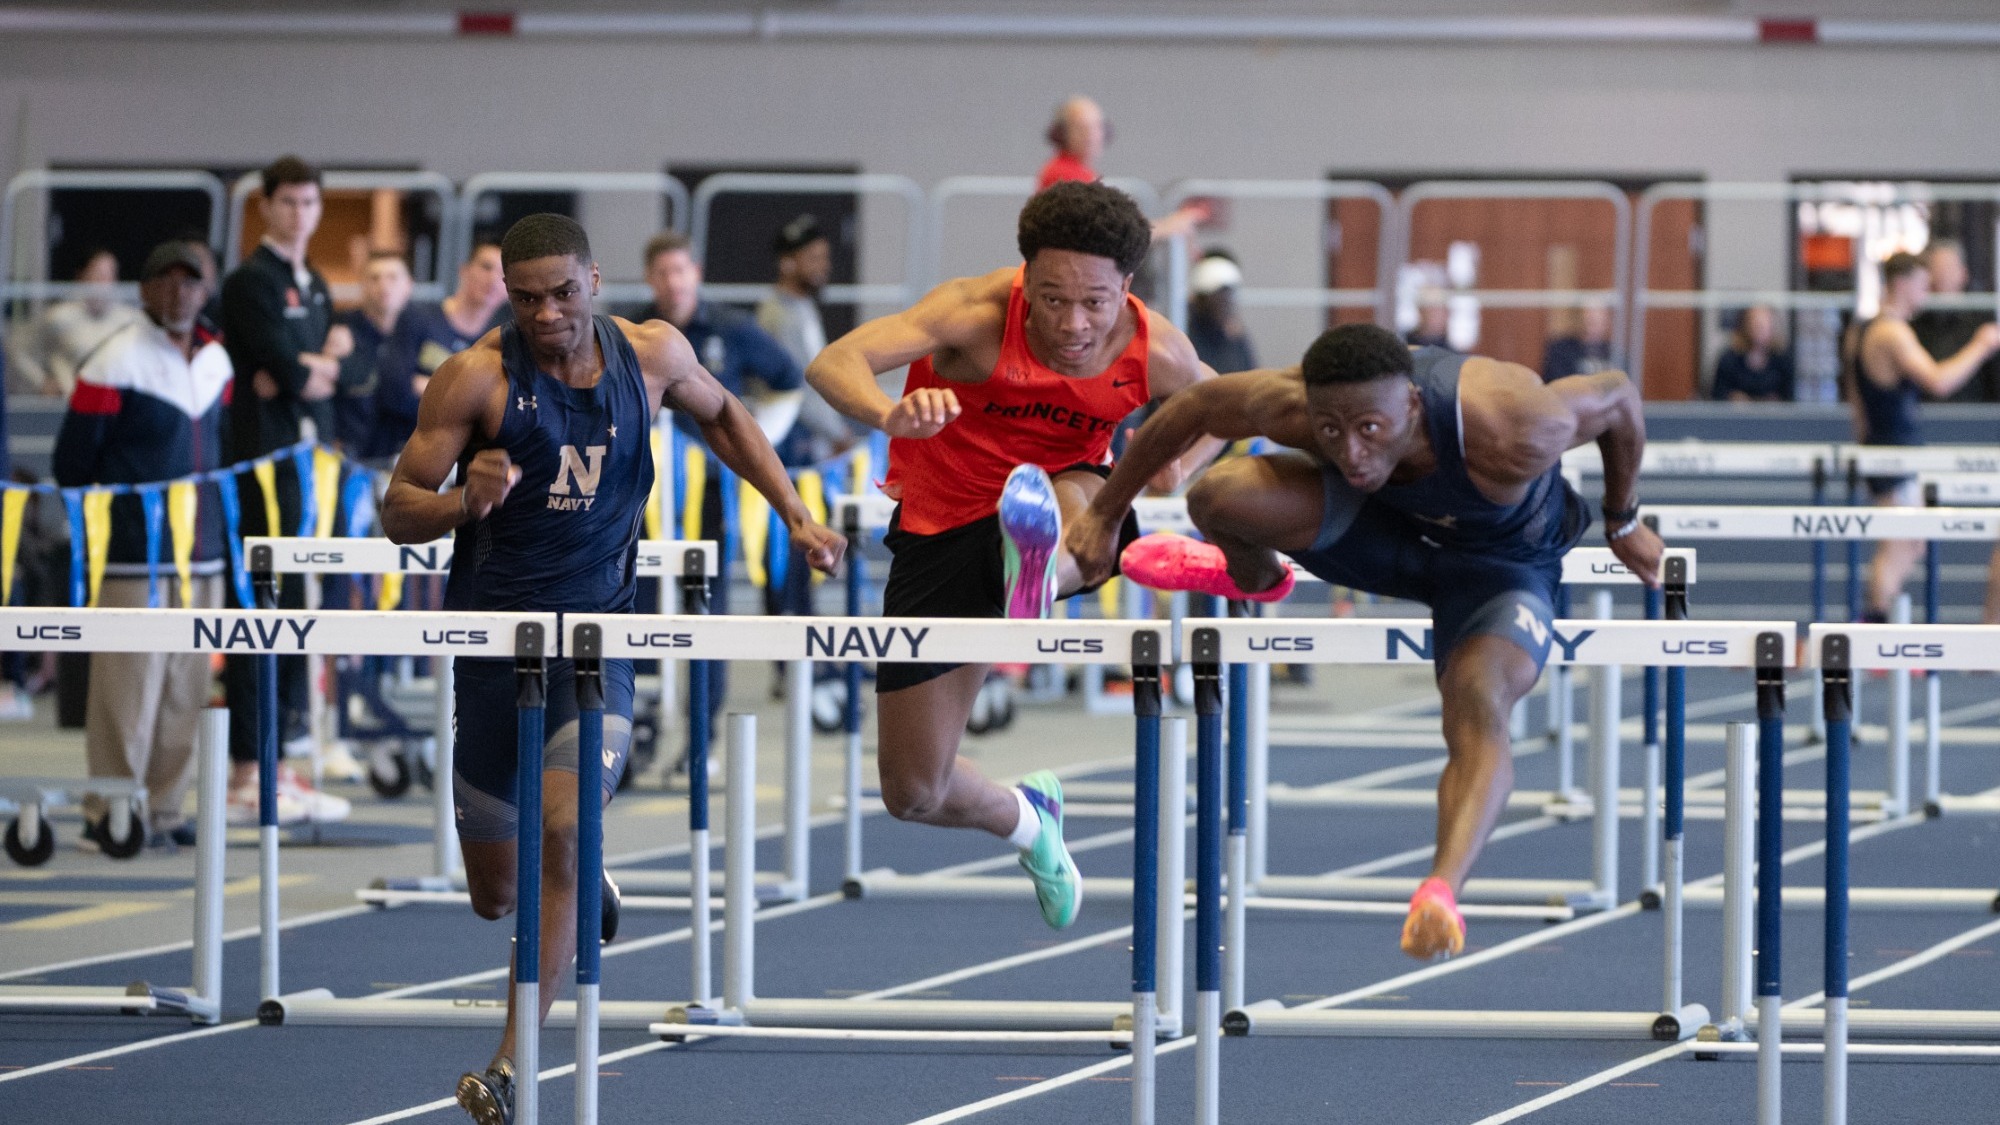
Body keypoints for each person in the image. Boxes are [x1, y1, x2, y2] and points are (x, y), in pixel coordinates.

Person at [380, 214, 843, 1125]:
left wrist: (792, 511)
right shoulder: (475, 377)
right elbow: (398, 509)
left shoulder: (656, 354)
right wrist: (459, 505)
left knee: (563, 830)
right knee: (494, 893)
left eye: (563, 292)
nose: (547, 313)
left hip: (598, 638)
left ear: (594, 279)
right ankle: (584, 878)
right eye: (527, 298)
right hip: (493, 645)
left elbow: (728, 416)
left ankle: (512, 1066)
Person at [1066, 323, 1663, 961]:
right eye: (1331, 431)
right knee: (1218, 494)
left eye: (1370, 430)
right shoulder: (1294, 402)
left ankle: (1440, 889)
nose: (1351, 451)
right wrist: (1104, 514)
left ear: (1410, 404)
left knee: (1478, 701)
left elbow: (1619, 396)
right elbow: (1196, 406)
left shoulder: (1512, 421)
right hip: (1376, 536)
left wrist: (1622, 517)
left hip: (1500, 568)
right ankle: (1256, 577)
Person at [805, 180, 1220, 931]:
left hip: (1067, 497)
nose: (1072, 322)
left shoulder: (1154, 346)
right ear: (1025, 278)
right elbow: (834, 361)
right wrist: (888, 410)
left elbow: (1224, 404)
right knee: (913, 790)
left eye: (1095, 301)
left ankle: (1040, 571)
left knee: (1081, 500)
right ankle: (1030, 818)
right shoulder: (973, 311)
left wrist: (1176, 468)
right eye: (1053, 298)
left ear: (1125, 288)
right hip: (942, 525)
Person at [51, 240, 232, 845]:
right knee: (127, 691)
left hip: (204, 551)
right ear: (144, 291)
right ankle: (111, 812)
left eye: (191, 281)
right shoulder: (113, 360)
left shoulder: (217, 363)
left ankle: (164, 810)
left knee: (185, 688)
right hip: (134, 553)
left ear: (206, 291)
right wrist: (114, 522)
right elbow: (71, 464)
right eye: (166, 281)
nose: (179, 292)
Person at [634, 230, 805, 765]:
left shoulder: (731, 330)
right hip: (643, 492)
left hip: (709, 495)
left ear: (697, 273)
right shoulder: (632, 332)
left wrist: (760, 440)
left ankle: (701, 737)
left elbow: (789, 379)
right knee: (636, 604)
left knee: (705, 609)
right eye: (662, 272)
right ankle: (636, 729)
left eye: (680, 270)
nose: (673, 281)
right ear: (650, 279)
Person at [217, 154, 349, 822]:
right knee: (260, 609)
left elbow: (337, 375)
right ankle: (247, 769)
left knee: (299, 610)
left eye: (310, 203)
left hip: (311, 466)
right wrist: (307, 366)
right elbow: (285, 372)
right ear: (266, 206)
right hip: (259, 469)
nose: (301, 215)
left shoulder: (317, 283)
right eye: (289, 203)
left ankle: (280, 760)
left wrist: (313, 365)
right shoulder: (249, 283)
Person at [1845, 251, 2000, 621]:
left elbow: (1855, 401)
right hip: (1893, 451)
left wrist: (1865, 445)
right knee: (1900, 546)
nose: (1927, 293)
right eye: (1921, 284)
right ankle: (1876, 628)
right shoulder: (1892, 331)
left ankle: (1877, 626)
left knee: (1910, 543)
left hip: (1883, 446)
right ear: (1901, 284)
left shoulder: (1860, 330)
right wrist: (1982, 346)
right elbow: (1939, 381)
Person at [381, 239, 512, 458]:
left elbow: (495, 414)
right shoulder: (417, 317)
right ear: (464, 270)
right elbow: (395, 389)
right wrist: (469, 400)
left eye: (502, 274)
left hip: (462, 458)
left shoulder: (504, 342)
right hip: (400, 446)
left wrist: (426, 385)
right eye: (486, 267)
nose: (492, 280)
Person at [757, 213, 858, 466]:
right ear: (787, 263)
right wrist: (837, 433)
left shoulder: (801, 306)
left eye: (825, 257)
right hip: (791, 442)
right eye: (813, 258)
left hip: (806, 436)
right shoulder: (781, 315)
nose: (823, 266)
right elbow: (799, 386)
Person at [7, 248, 144, 397]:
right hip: (70, 405)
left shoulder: (129, 319)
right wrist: (42, 381)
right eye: (98, 275)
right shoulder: (59, 317)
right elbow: (17, 348)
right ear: (82, 277)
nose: (104, 283)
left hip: (115, 407)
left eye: (109, 275)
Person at [330, 251, 415, 466]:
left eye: (392, 277)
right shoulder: (340, 328)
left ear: (408, 285)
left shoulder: (420, 332)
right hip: (347, 454)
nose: (383, 286)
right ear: (362, 285)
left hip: (404, 455)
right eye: (374, 278)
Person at [1909, 239, 2000, 404]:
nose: (1942, 275)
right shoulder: (1913, 324)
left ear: (1963, 274)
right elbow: (1936, 384)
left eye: (1948, 268)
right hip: (1925, 418)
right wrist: (1980, 346)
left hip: (1976, 420)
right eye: (1936, 268)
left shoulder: (1982, 320)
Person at [1186, 250, 1258, 375]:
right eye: (1219, 292)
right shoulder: (1183, 328)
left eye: (1229, 291)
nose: (1226, 300)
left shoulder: (1235, 338)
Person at [1710, 304, 1795, 402]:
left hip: (1774, 416)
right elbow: (1717, 395)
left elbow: (1790, 398)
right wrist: (1734, 398)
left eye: (1765, 325)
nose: (1760, 330)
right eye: (1757, 324)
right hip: (1736, 416)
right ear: (1746, 325)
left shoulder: (1783, 360)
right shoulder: (1729, 359)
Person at [1540, 301, 1620, 382]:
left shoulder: (1615, 353)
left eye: (1596, 318)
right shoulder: (1560, 350)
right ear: (1578, 318)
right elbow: (1558, 382)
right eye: (1588, 316)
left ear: (1606, 320)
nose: (1591, 319)